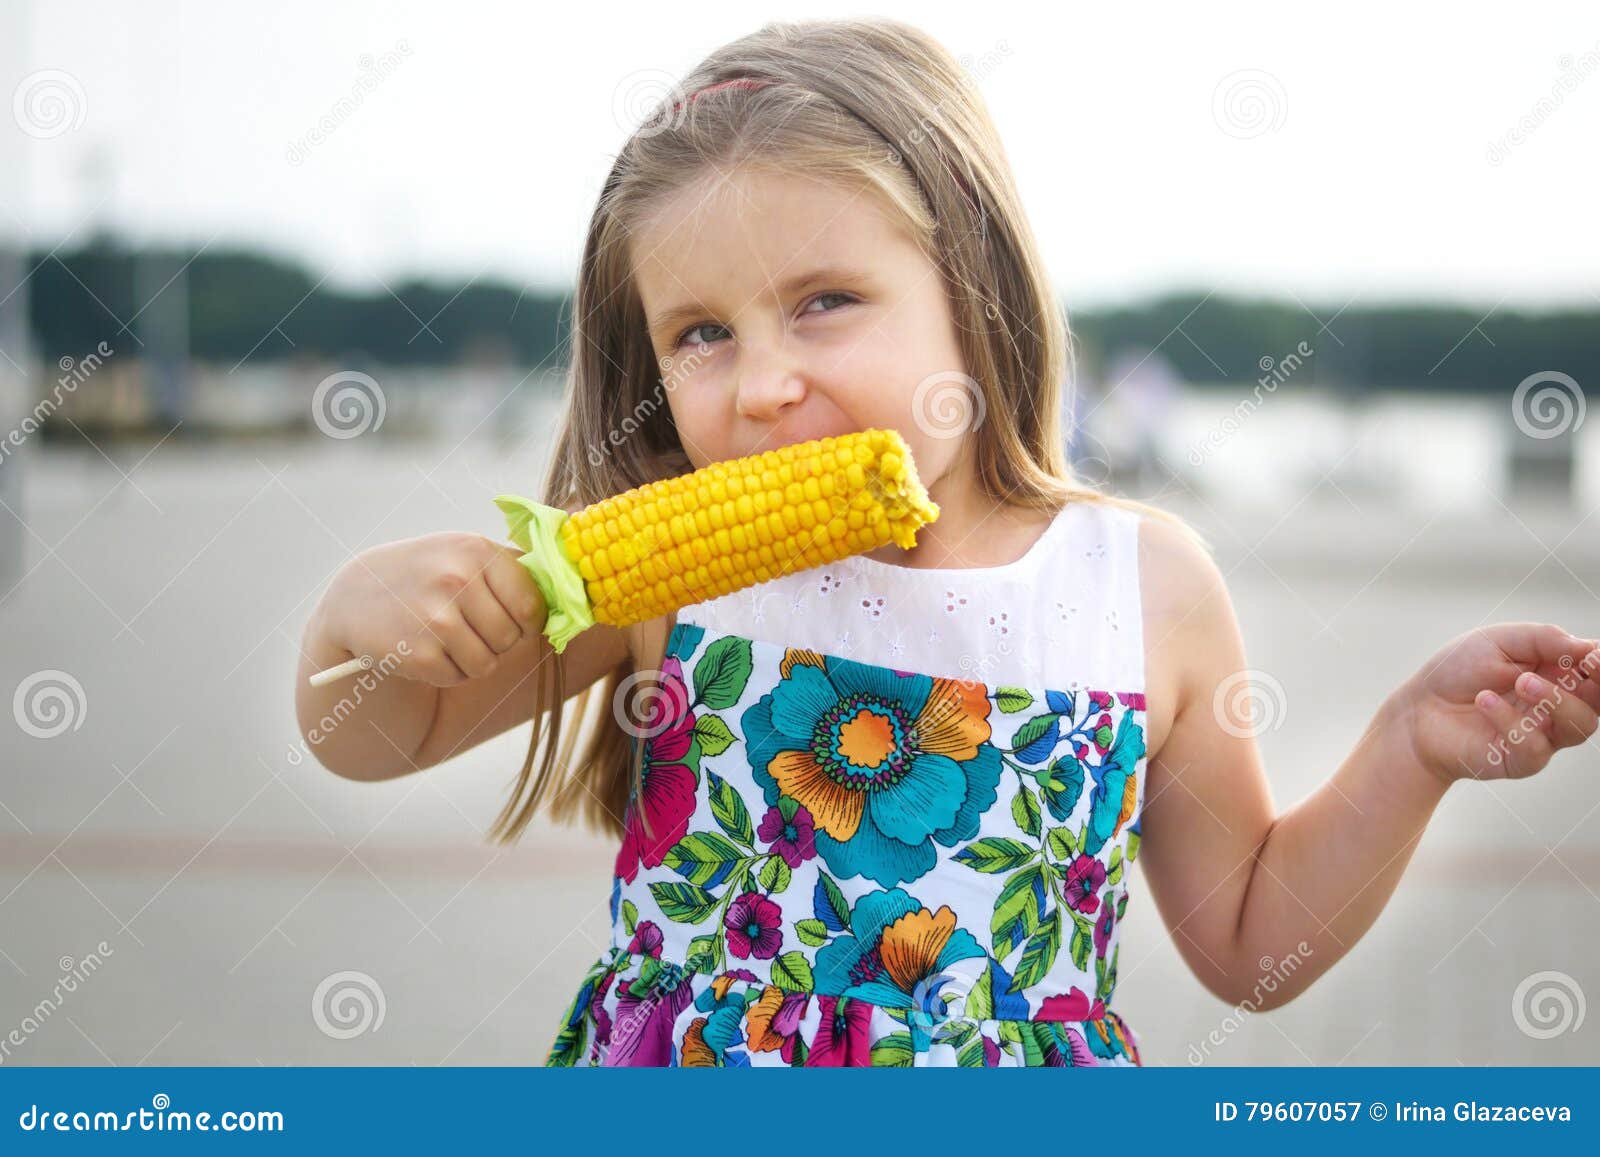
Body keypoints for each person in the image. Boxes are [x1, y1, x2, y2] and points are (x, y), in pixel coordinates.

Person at [294, 18, 1600, 1067]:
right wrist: (357, 625)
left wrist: (1408, 751)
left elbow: (1251, 937)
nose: (760, 385)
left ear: (973, 289)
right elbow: (374, 734)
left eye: (825, 303)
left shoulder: (1141, 588)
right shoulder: (669, 583)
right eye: (700, 332)